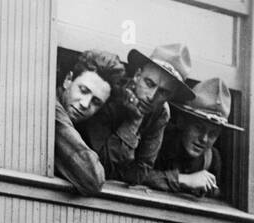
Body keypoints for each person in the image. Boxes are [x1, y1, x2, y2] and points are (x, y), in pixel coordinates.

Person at [79, 43, 195, 186]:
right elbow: (101, 168)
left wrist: (136, 119)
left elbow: (140, 172)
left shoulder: (161, 113)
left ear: (170, 96)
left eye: (163, 92)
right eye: (149, 83)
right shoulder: (109, 94)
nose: (151, 96)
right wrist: (133, 122)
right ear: (137, 75)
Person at [139, 78, 242, 198]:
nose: (204, 139)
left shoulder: (212, 159)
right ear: (182, 122)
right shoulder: (159, 140)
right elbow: (135, 175)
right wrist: (182, 180)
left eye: (213, 134)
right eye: (199, 128)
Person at [54, 50, 124, 195]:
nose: (85, 104)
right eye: (84, 90)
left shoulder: (78, 121)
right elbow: (92, 179)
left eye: (96, 102)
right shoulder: (53, 110)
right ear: (68, 79)